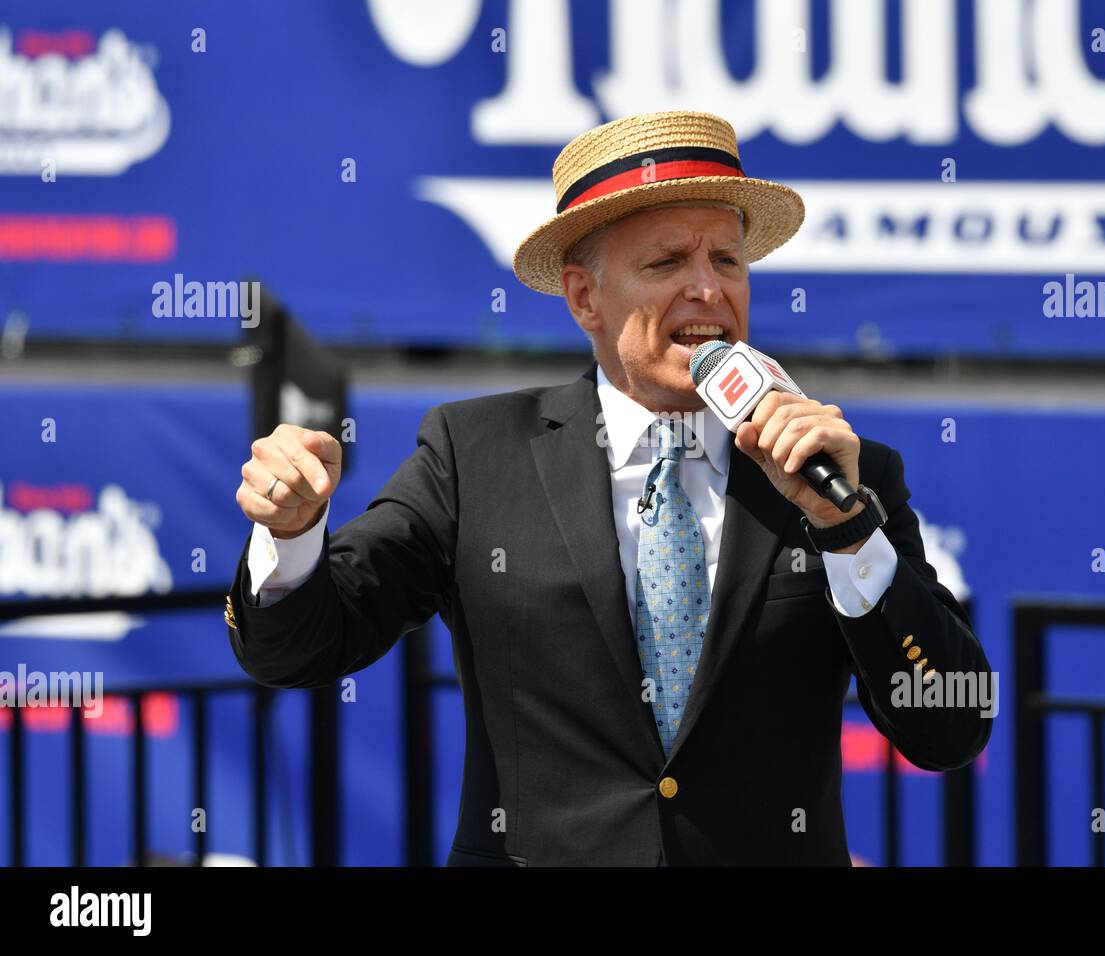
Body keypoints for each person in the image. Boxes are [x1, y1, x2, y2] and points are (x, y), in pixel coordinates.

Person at [226, 110, 992, 866]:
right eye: (666, 263)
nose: (707, 290)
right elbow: (302, 648)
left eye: (727, 261)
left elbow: (950, 728)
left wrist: (847, 532)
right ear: (584, 297)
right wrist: (289, 533)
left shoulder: (844, 472)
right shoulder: (475, 453)